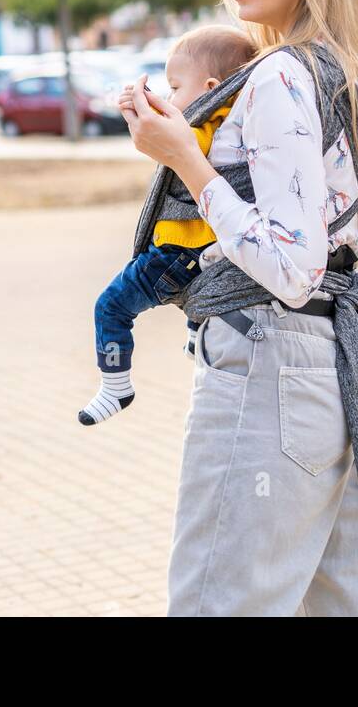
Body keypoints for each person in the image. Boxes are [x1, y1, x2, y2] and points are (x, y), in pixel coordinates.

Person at [120, 0, 358, 617]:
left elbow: (290, 269)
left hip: (267, 365)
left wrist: (188, 161)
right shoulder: (357, 69)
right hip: (337, 373)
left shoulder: (281, 77)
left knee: (215, 606)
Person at [78, 23, 256, 424]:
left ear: (211, 87)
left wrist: (145, 108)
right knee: (190, 305)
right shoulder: (226, 118)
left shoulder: (211, 125)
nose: (169, 97)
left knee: (111, 306)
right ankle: (196, 335)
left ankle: (115, 385)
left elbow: (182, 145)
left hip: (180, 252)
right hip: (202, 252)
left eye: (174, 87)